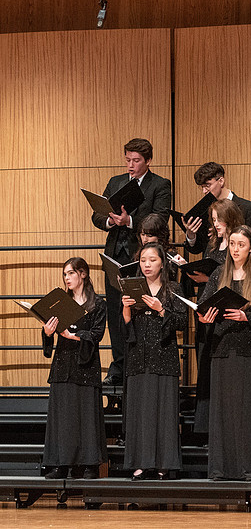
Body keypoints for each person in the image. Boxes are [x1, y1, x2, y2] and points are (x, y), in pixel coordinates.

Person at [198, 225, 251, 481]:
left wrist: (249, 317)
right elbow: (202, 309)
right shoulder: (218, 276)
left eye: (240, 245)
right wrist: (204, 317)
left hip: (249, 350)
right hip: (222, 349)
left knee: (248, 412)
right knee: (223, 411)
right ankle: (222, 469)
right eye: (232, 244)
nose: (235, 249)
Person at [91, 138, 171, 387]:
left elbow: (161, 217)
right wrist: (110, 221)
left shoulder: (160, 184)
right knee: (116, 310)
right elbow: (97, 214)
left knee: (141, 310)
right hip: (116, 253)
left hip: (143, 255)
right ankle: (118, 365)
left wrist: (130, 222)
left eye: (136, 160)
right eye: (128, 160)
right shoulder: (115, 182)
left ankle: (139, 363)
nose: (131, 165)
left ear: (148, 160)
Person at [122, 243, 187, 480]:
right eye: (143, 261)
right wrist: (126, 313)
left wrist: (161, 310)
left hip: (164, 356)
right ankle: (140, 463)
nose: (147, 265)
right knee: (140, 412)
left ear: (162, 263)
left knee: (164, 411)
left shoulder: (174, 288)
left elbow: (181, 322)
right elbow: (126, 332)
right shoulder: (134, 289)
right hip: (139, 357)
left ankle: (164, 463)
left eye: (152, 260)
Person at [40, 258, 107, 480]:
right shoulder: (60, 303)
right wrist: (48, 333)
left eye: (70, 273)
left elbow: (97, 335)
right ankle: (60, 463)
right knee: (63, 416)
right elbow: (50, 335)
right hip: (63, 364)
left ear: (83, 274)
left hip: (85, 365)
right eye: (65, 275)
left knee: (86, 415)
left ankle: (89, 464)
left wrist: (75, 336)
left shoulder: (97, 303)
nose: (67, 278)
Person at [184, 199, 245, 434]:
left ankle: (221, 427)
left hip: (225, 313)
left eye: (218, 219)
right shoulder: (213, 245)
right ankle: (206, 426)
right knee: (205, 365)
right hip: (207, 311)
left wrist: (205, 280)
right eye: (213, 219)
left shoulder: (236, 246)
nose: (215, 223)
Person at [184, 161, 251, 256]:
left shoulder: (247, 208)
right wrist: (191, 235)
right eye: (202, 187)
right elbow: (198, 248)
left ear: (221, 181)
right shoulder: (206, 209)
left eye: (208, 186)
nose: (204, 191)